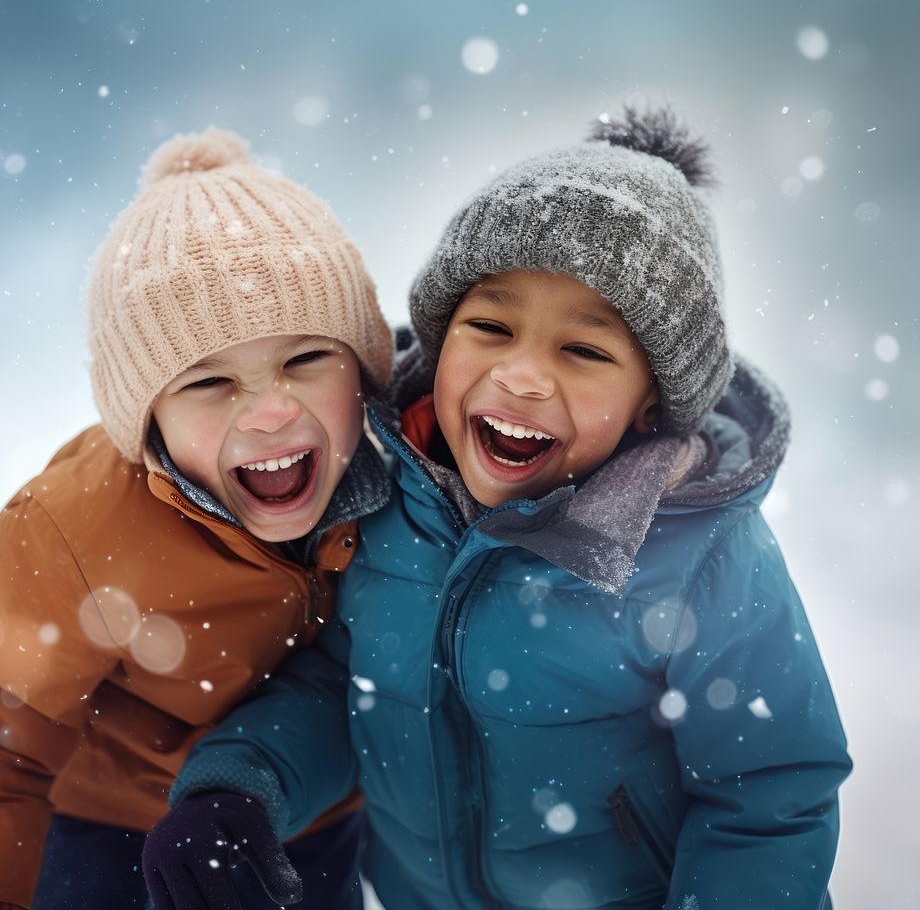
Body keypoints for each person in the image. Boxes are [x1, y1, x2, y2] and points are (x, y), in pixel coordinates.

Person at [145, 107, 852, 910]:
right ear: (441, 340)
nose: (521, 376)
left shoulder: (702, 556)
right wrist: (240, 786)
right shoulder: (388, 498)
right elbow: (344, 688)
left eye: (583, 350)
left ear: (651, 405)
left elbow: (766, 797)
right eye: (489, 326)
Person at [0, 128, 393, 910]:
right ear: (148, 419)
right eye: (209, 383)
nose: (272, 411)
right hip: (113, 827)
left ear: (364, 369)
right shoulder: (76, 528)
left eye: (307, 360)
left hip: (310, 813)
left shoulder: (407, 489)